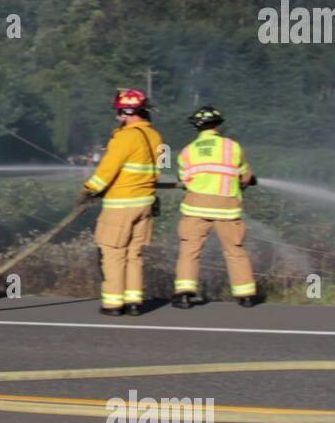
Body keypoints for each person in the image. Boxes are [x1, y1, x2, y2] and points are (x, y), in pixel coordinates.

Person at [78, 89, 164, 316]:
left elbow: (108, 168)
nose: (117, 116)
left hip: (121, 205)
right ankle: (135, 302)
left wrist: (89, 189)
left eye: (118, 112)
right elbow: (160, 169)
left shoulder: (124, 137)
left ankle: (114, 304)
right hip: (145, 204)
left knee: (113, 253)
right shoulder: (156, 137)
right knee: (134, 254)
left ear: (125, 111)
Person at [173, 106, 258, 308]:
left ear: (196, 127)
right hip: (227, 208)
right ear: (218, 124)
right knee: (235, 250)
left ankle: (184, 294)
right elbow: (245, 176)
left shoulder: (187, 151)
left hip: (195, 208)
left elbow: (184, 178)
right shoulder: (232, 147)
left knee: (189, 251)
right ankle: (245, 296)